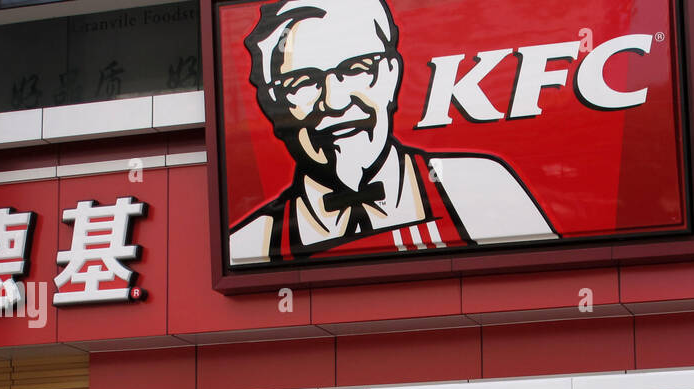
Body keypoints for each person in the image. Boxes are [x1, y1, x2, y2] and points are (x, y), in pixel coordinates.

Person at [229, 0, 554, 265]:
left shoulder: (478, 189)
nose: (335, 101)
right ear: (272, 103)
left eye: (356, 70)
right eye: (302, 83)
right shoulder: (249, 245)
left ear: (391, 75)